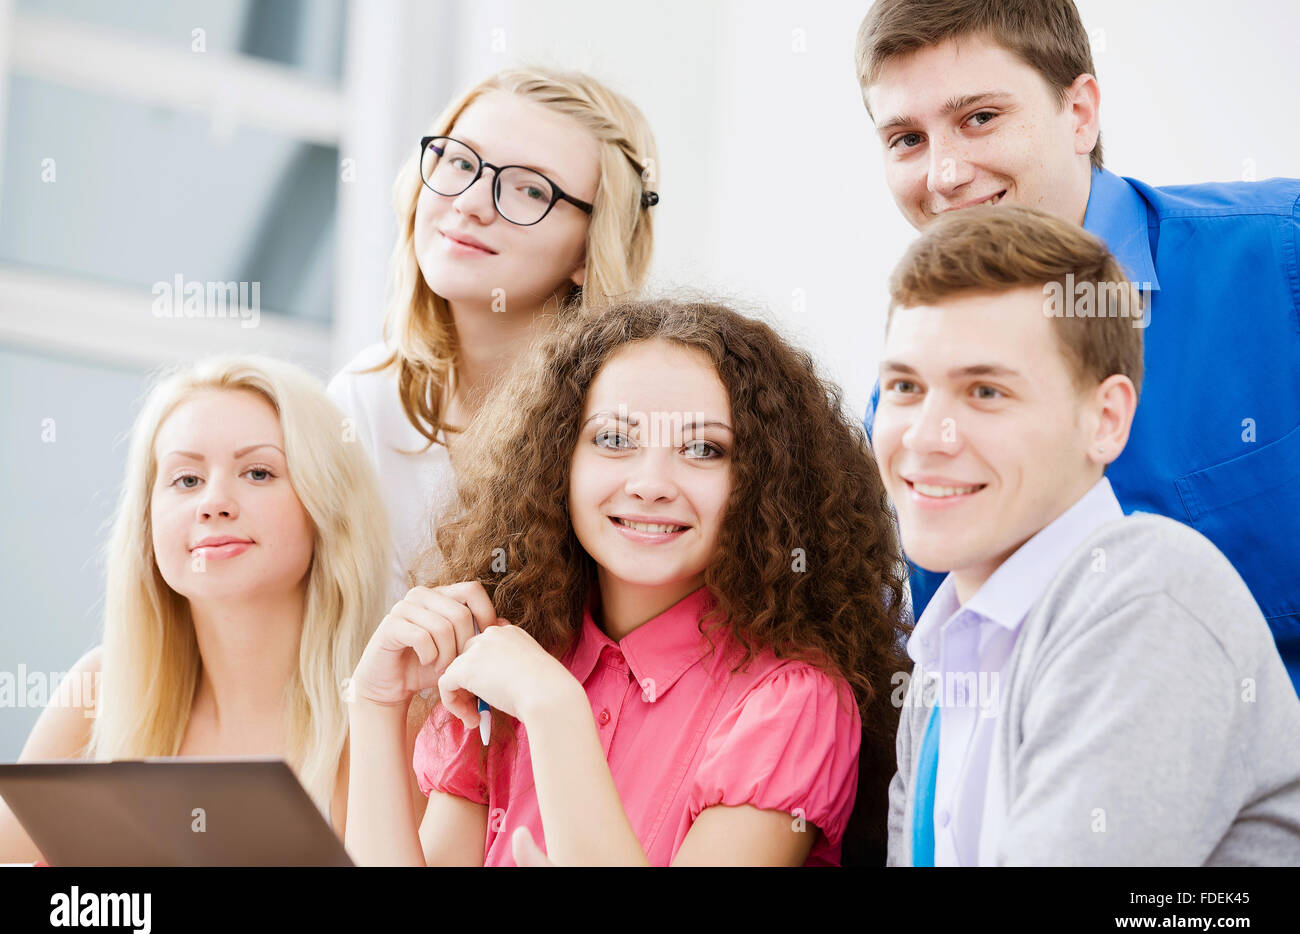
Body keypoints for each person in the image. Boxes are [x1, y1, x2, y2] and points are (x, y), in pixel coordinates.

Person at [343, 297, 912, 866]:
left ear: (765, 483)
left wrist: (556, 714)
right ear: (558, 459)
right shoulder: (510, 661)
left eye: (703, 449)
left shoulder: (792, 703)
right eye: (615, 440)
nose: (650, 484)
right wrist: (375, 703)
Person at [854, 0, 1300, 685]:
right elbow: (958, 671)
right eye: (907, 139)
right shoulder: (906, 415)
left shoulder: (1279, 255)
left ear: (1081, 114)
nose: (944, 174)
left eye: (980, 118)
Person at [874, 204, 1300, 865]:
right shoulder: (942, 657)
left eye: (985, 392)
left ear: (1105, 420)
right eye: (904, 385)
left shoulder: (1150, 599)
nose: (928, 436)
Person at [0, 355, 389, 863]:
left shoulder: (387, 714)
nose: (214, 502)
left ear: (327, 509)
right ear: (148, 522)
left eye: (258, 471)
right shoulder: (98, 689)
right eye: (186, 480)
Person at [327, 66, 659, 612]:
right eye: (460, 162)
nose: (471, 202)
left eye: (530, 189)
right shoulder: (362, 400)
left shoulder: (629, 426)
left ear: (587, 250)